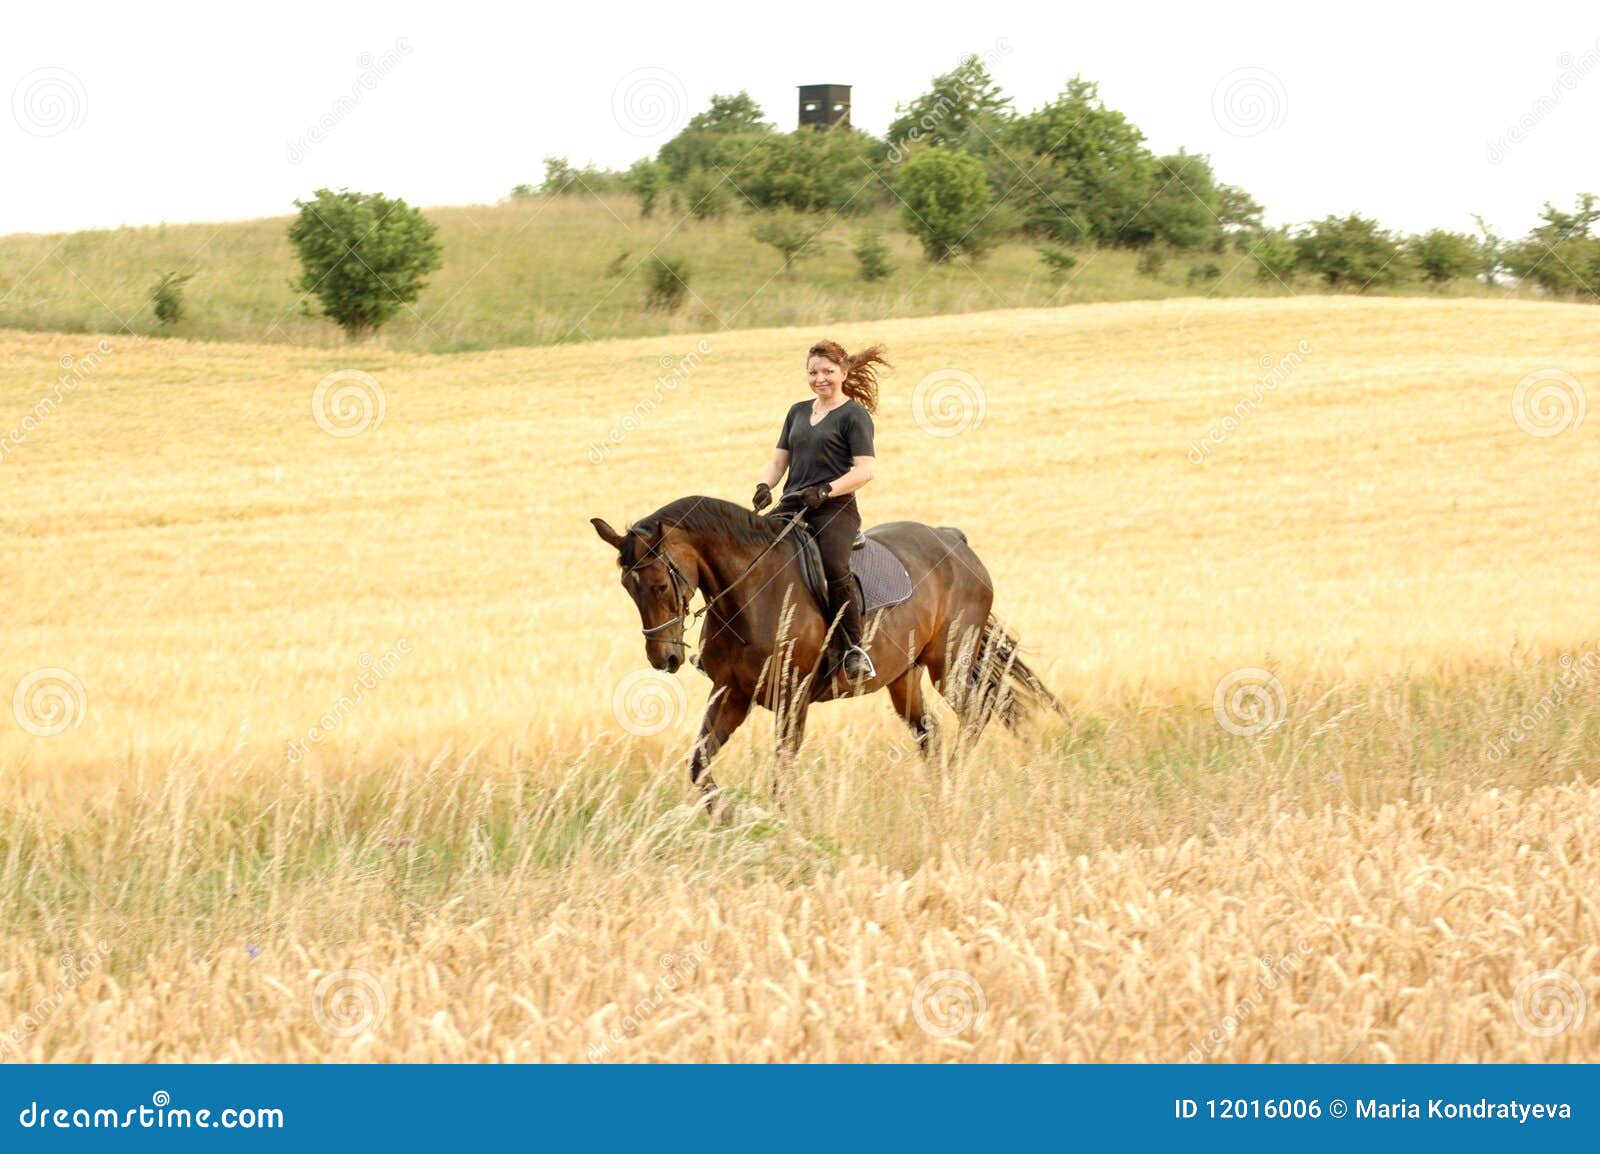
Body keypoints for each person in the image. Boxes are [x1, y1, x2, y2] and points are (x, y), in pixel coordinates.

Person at [751, 339, 889, 682]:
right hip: (793, 505)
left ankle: (853, 649)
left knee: (833, 566)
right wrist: (764, 485)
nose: (820, 378)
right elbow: (778, 461)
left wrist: (826, 490)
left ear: (843, 373)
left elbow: (865, 470)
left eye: (827, 371)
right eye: (813, 373)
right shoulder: (797, 411)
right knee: (751, 556)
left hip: (834, 509)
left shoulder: (854, 415)